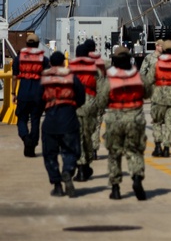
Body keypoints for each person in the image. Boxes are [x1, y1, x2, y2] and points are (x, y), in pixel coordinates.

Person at [94, 46, 152, 201]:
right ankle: (137, 179)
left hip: (115, 119)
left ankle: (115, 188)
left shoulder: (109, 78)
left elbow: (101, 100)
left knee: (114, 153)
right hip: (135, 118)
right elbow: (148, 92)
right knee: (135, 151)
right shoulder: (138, 76)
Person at [40, 50, 87, 197]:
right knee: (71, 151)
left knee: (50, 154)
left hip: (50, 121)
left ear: (50, 63)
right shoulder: (72, 77)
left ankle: (57, 186)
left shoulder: (44, 78)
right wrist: (72, 107)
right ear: (63, 63)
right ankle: (67, 171)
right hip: (68, 119)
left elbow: (38, 99)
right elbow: (81, 97)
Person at [144, 39, 171, 158]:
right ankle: (167, 148)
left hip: (157, 97)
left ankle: (158, 146)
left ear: (163, 49)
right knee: (169, 123)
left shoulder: (156, 64)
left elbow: (148, 80)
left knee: (157, 122)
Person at [68, 42, 101, 181]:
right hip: (91, 102)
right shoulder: (95, 69)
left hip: (75, 103)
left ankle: (81, 166)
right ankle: (86, 163)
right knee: (88, 134)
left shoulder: (70, 68)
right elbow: (101, 88)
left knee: (77, 136)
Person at [12, 32, 50, 157]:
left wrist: (13, 93)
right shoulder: (43, 59)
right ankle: (32, 146)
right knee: (35, 120)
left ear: (26, 43)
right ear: (38, 44)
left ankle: (25, 138)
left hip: (23, 92)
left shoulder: (19, 58)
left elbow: (14, 77)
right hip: (38, 94)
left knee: (21, 119)